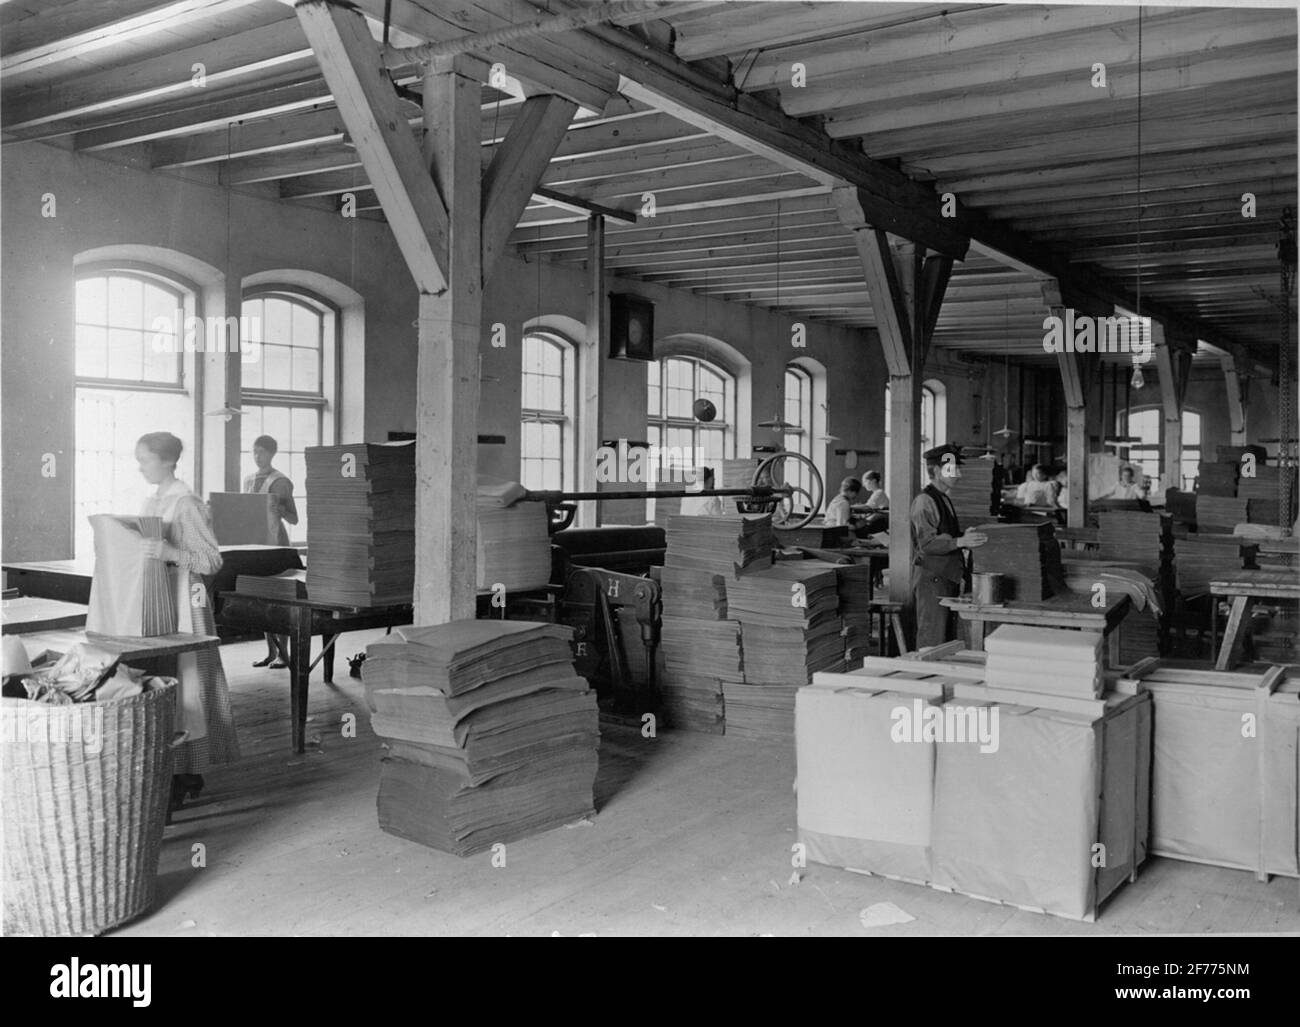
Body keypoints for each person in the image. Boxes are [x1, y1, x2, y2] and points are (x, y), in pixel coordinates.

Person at [136, 431, 240, 815]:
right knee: (166, 682)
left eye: (144, 459)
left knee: (189, 682)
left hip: (186, 600)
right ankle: (170, 769)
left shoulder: (186, 502)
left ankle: (188, 774)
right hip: (161, 599)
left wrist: (169, 552)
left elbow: (211, 562)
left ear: (166, 461)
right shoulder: (154, 499)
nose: (140, 467)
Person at [908, 444, 988, 649]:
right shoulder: (924, 501)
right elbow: (927, 543)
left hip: (946, 575)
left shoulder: (943, 498)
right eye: (953, 469)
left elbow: (945, 535)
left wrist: (963, 536)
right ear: (935, 471)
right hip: (932, 577)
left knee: (945, 637)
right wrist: (960, 542)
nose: (958, 474)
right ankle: (926, 677)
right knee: (932, 636)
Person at [243, 435, 298, 668]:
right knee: (263, 599)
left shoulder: (281, 481)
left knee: (279, 598)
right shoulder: (248, 480)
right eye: (254, 452)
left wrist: (280, 509)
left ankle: (282, 653)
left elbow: (294, 519)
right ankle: (270, 651)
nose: (257, 457)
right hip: (255, 543)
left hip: (276, 542)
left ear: (272, 454)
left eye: (262, 452)